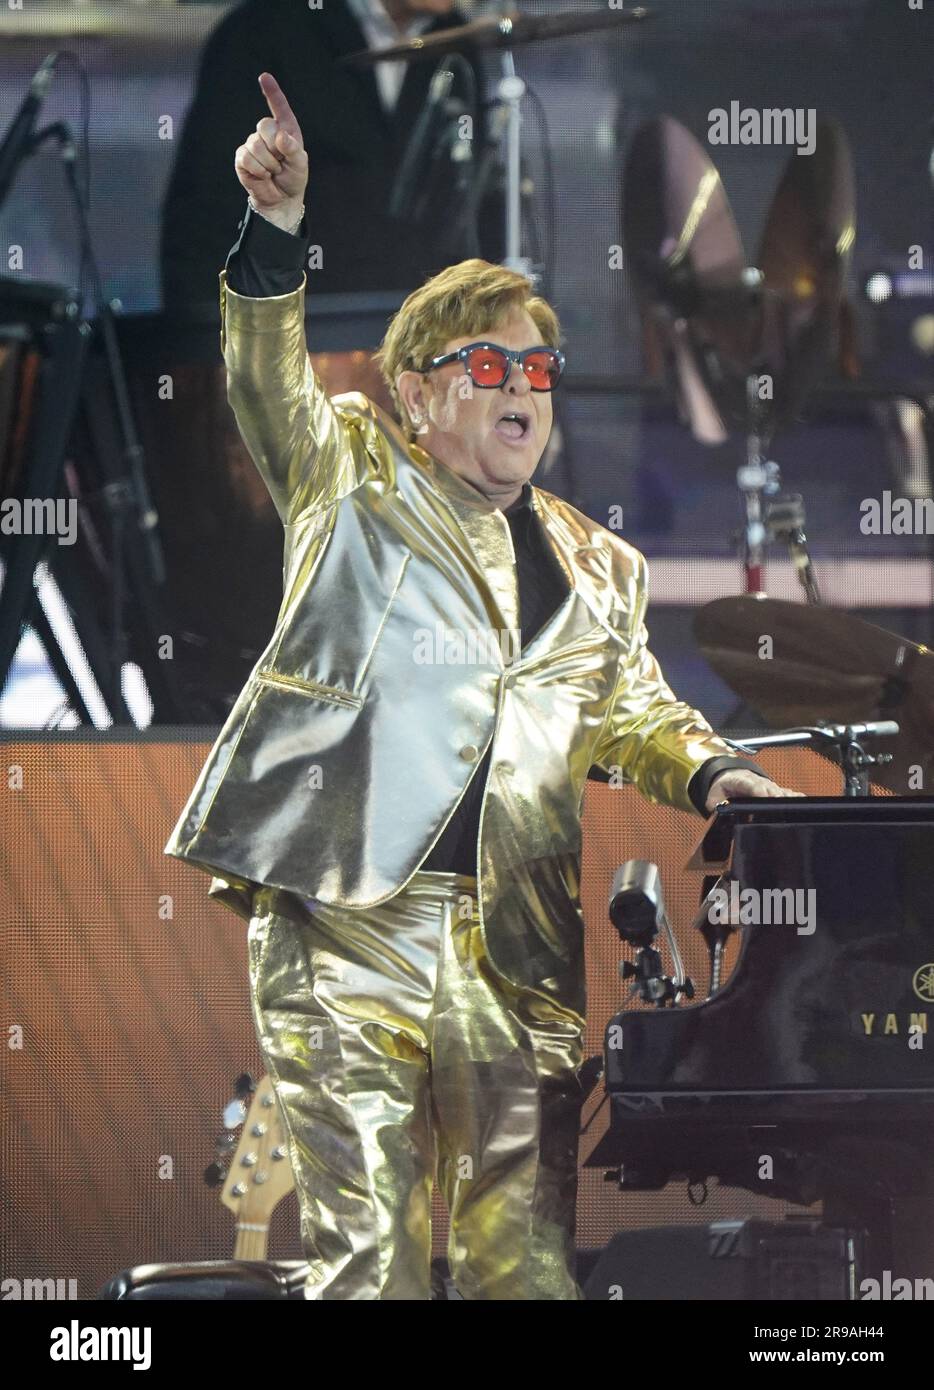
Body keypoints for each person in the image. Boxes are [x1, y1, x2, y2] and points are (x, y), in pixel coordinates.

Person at [165, 72, 799, 1300]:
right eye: (488, 365)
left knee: (530, 1272)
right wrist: (274, 232)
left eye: (541, 371)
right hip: (352, 920)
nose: (522, 389)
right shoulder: (349, 468)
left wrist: (717, 769)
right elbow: (261, 372)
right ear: (413, 391)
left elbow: (635, 713)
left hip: (514, 943)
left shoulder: (600, 563)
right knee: (373, 1262)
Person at [160, 0, 494, 312]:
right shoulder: (266, 28)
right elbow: (204, 205)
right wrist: (209, 346)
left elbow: (469, 203)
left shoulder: (457, 41)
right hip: (297, 327)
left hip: (415, 328)